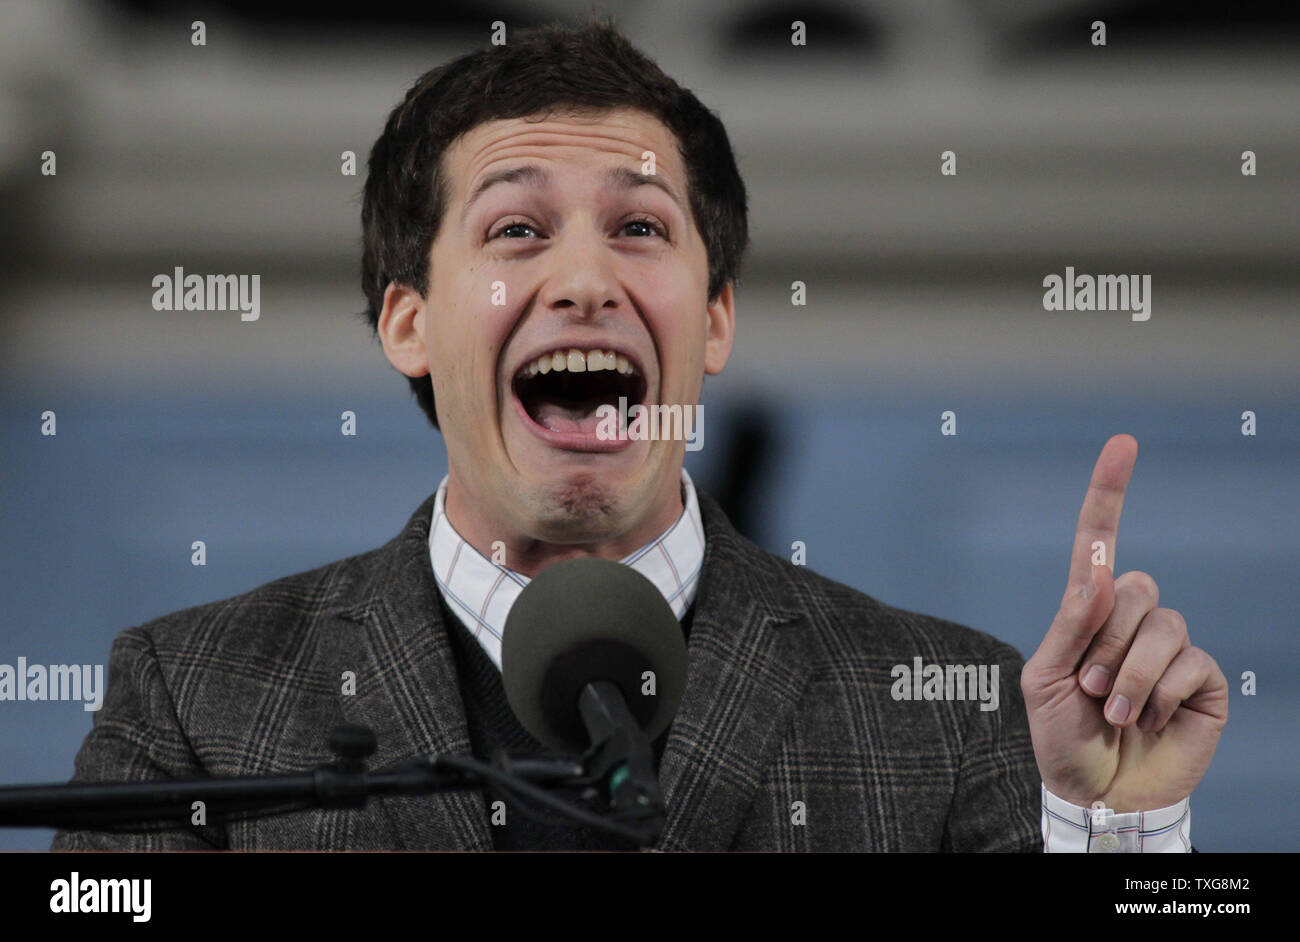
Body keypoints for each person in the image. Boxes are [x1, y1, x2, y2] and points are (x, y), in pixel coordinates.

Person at [52, 18, 1226, 852]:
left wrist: (1118, 830)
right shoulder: (194, 701)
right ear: (407, 322)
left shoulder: (953, 708)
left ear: (713, 321)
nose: (582, 279)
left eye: (639, 226)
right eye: (516, 229)